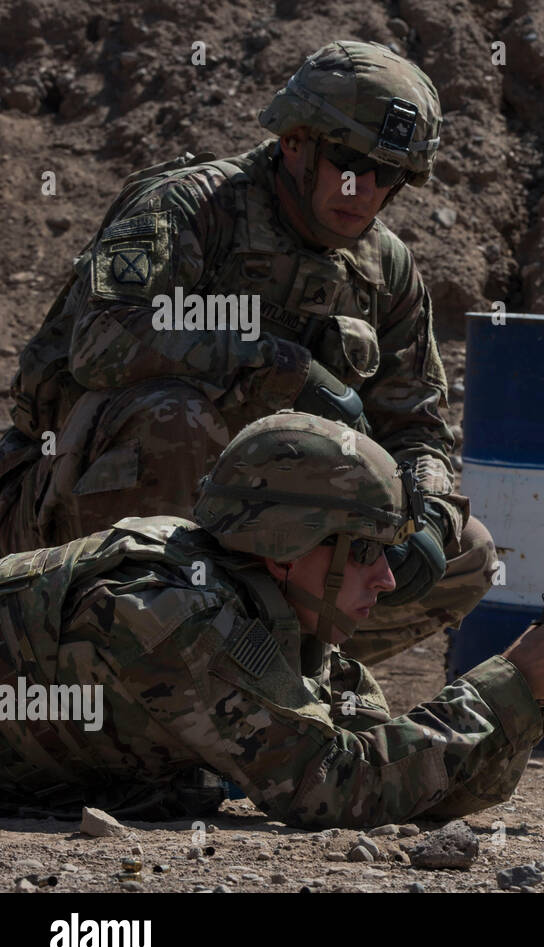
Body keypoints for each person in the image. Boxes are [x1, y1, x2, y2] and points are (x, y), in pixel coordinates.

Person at [0, 40, 474, 665]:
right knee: (175, 421)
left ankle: (273, 671)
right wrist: (277, 367)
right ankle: (119, 664)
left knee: (471, 559)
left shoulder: (385, 271)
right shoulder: (191, 210)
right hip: (62, 501)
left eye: (390, 176)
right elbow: (102, 339)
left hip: (273, 532)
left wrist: (430, 517)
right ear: (295, 142)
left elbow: (416, 424)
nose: (365, 190)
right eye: (349, 162)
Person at [0, 412, 544, 827]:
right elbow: (334, 786)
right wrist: (511, 684)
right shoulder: (174, 617)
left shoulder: (274, 618)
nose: (388, 580)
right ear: (284, 545)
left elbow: (407, 781)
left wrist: (540, 695)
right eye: (364, 552)